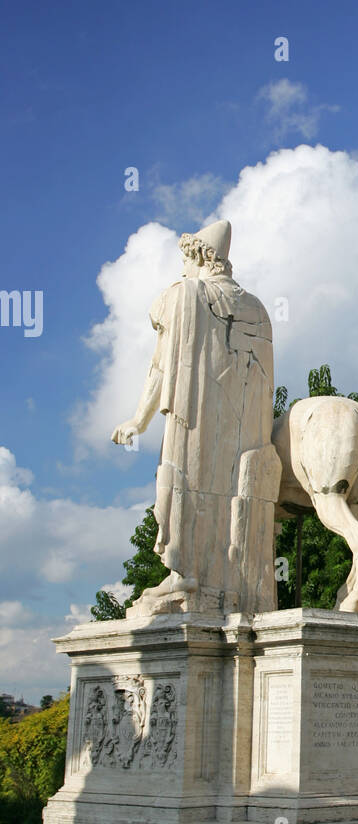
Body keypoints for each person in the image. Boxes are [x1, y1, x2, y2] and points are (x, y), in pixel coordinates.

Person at [112, 220, 282, 618]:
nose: (183, 268)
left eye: (186, 259)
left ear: (200, 256)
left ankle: (185, 573)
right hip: (243, 438)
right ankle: (227, 584)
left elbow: (161, 366)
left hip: (192, 424)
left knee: (177, 485)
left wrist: (139, 419)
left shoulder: (183, 295)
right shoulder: (257, 308)